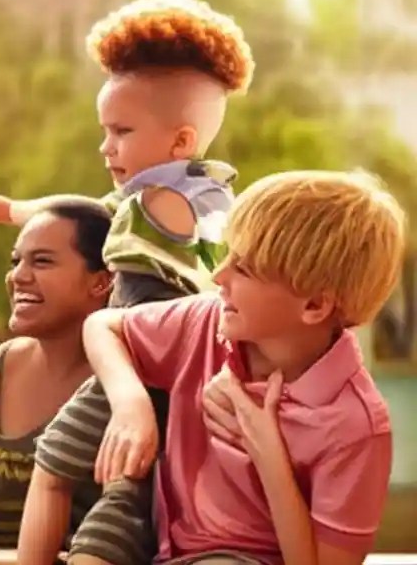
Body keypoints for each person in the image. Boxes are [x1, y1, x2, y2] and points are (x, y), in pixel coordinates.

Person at [0, 0, 256, 564]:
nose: (106, 147)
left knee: (57, 456)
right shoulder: (211, 196)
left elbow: (81, 210)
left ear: (180, 141)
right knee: (125, 484)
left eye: (120, 131)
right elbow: (80, 208)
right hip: (189, 365)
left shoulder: (159, 200)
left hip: (141, 358)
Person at [88, 169, 402, 564]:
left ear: (315, 306)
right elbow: (102, 325)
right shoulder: (208, 321)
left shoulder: (357, 425)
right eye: (228, 256)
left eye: (245, 268)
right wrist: (131, 405)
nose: (219, 276)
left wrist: (268, 452)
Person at [0, 198, 113, 553]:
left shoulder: (123, 380)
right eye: (16, 261)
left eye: (43, 261)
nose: (18, 276)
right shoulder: (1, 366)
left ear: (101, 282)